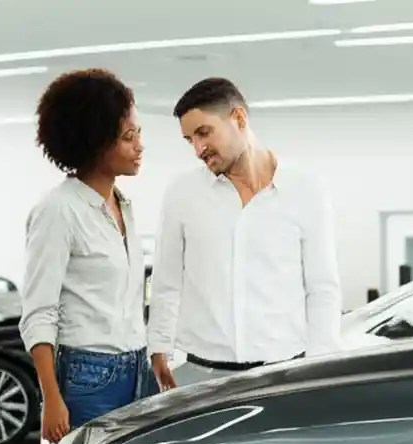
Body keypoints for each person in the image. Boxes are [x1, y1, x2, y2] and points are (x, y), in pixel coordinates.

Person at [147, 77, 342, 389]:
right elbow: (166, 282)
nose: (198, 149)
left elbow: (322, 289)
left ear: (238, 118)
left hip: (283, 374)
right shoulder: (182, 193)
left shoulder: (306, 190)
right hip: (199, 376)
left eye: (203, 132)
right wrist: (158, 348)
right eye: (189, 140)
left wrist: (320, 366)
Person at [19, 69, 154, 444]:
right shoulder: (58, 211)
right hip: (89, 376)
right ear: (95, 141)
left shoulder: (123, 207)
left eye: (138, 133)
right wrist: (51, 397)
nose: (140, 145)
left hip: (138, 370)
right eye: (129, 136)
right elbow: (38, 313)